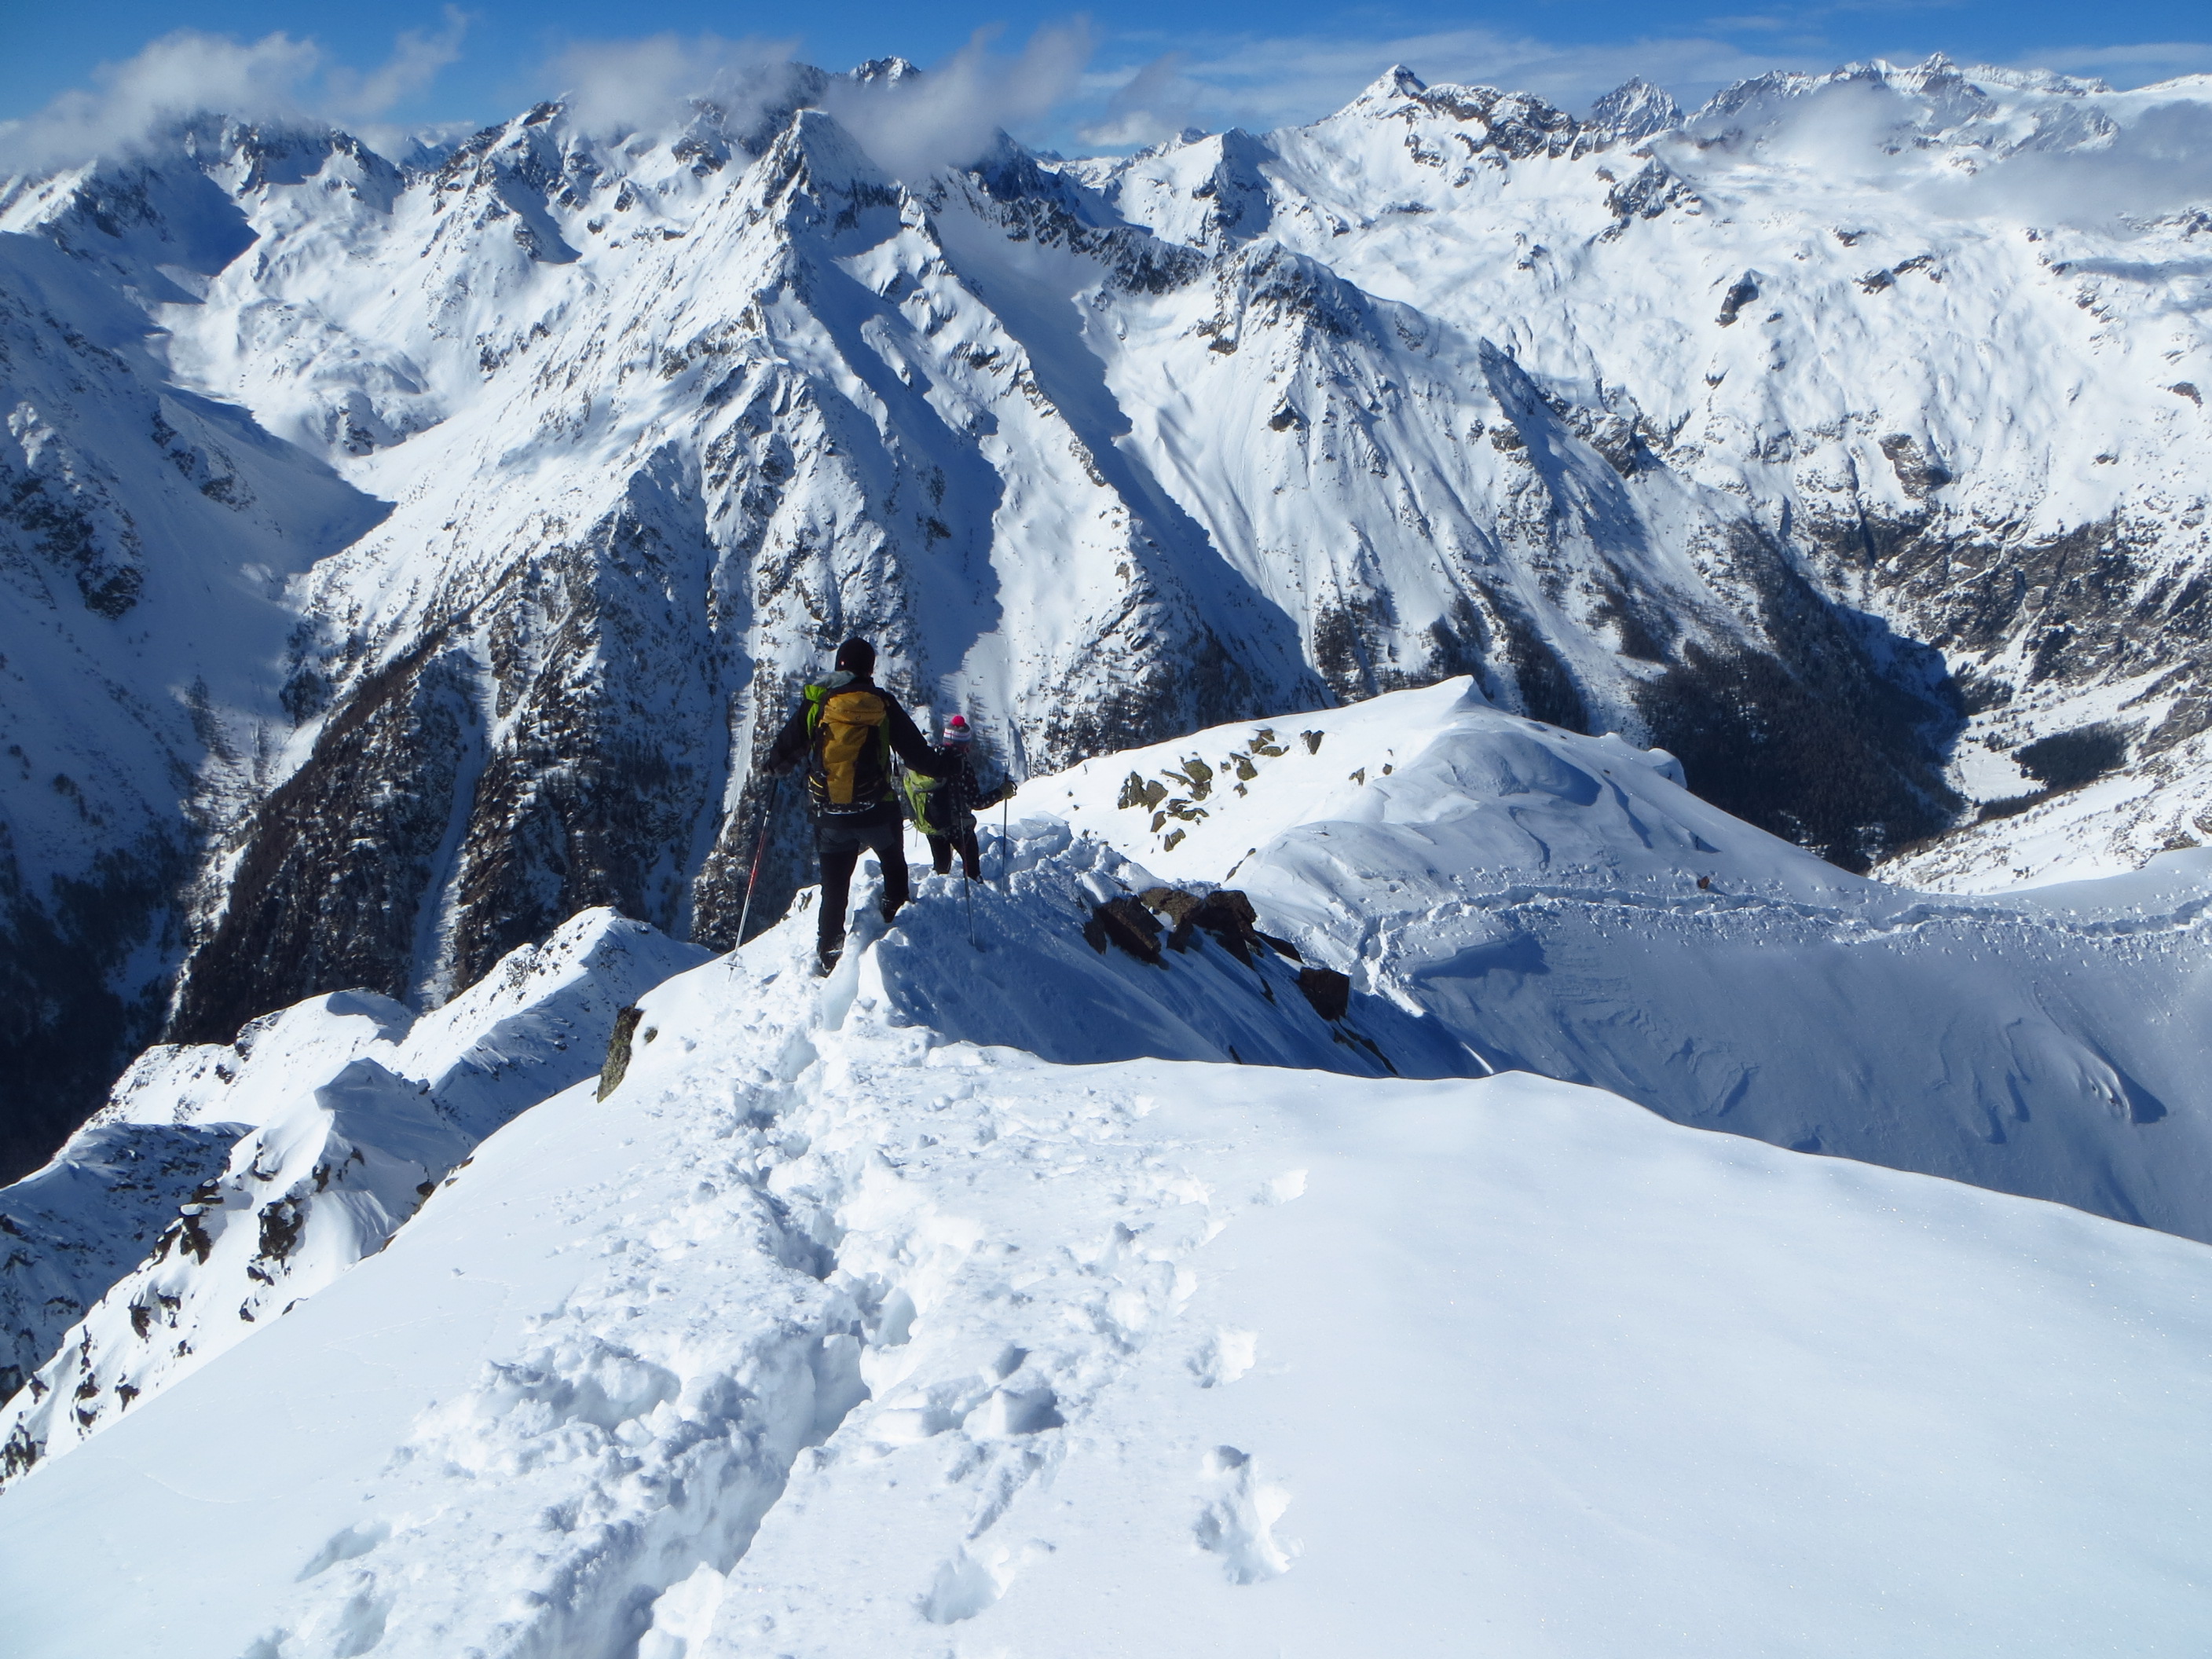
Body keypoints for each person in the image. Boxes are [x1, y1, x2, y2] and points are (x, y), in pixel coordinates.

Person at [765, 638, 938, 976]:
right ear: (870, 668)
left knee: (834, 890)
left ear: (839, 666)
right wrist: (947, 767)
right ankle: (894, 916)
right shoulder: (882, 705)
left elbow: (784, 752)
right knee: (893, 862)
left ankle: (829, 953)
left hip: (830, 815)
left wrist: (774, 767)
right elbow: (918, 756)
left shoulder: (818, 704)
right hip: (876, 809)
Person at [923, 714, 985, 881]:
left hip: (934, 824)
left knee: (941, 871)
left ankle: (938, 901)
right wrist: (1002, 792)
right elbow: (977, 802)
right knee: (972, 871)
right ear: (964, 744)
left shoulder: (931, 759)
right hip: (960, 827)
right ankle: (978, 896)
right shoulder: (961, 765)